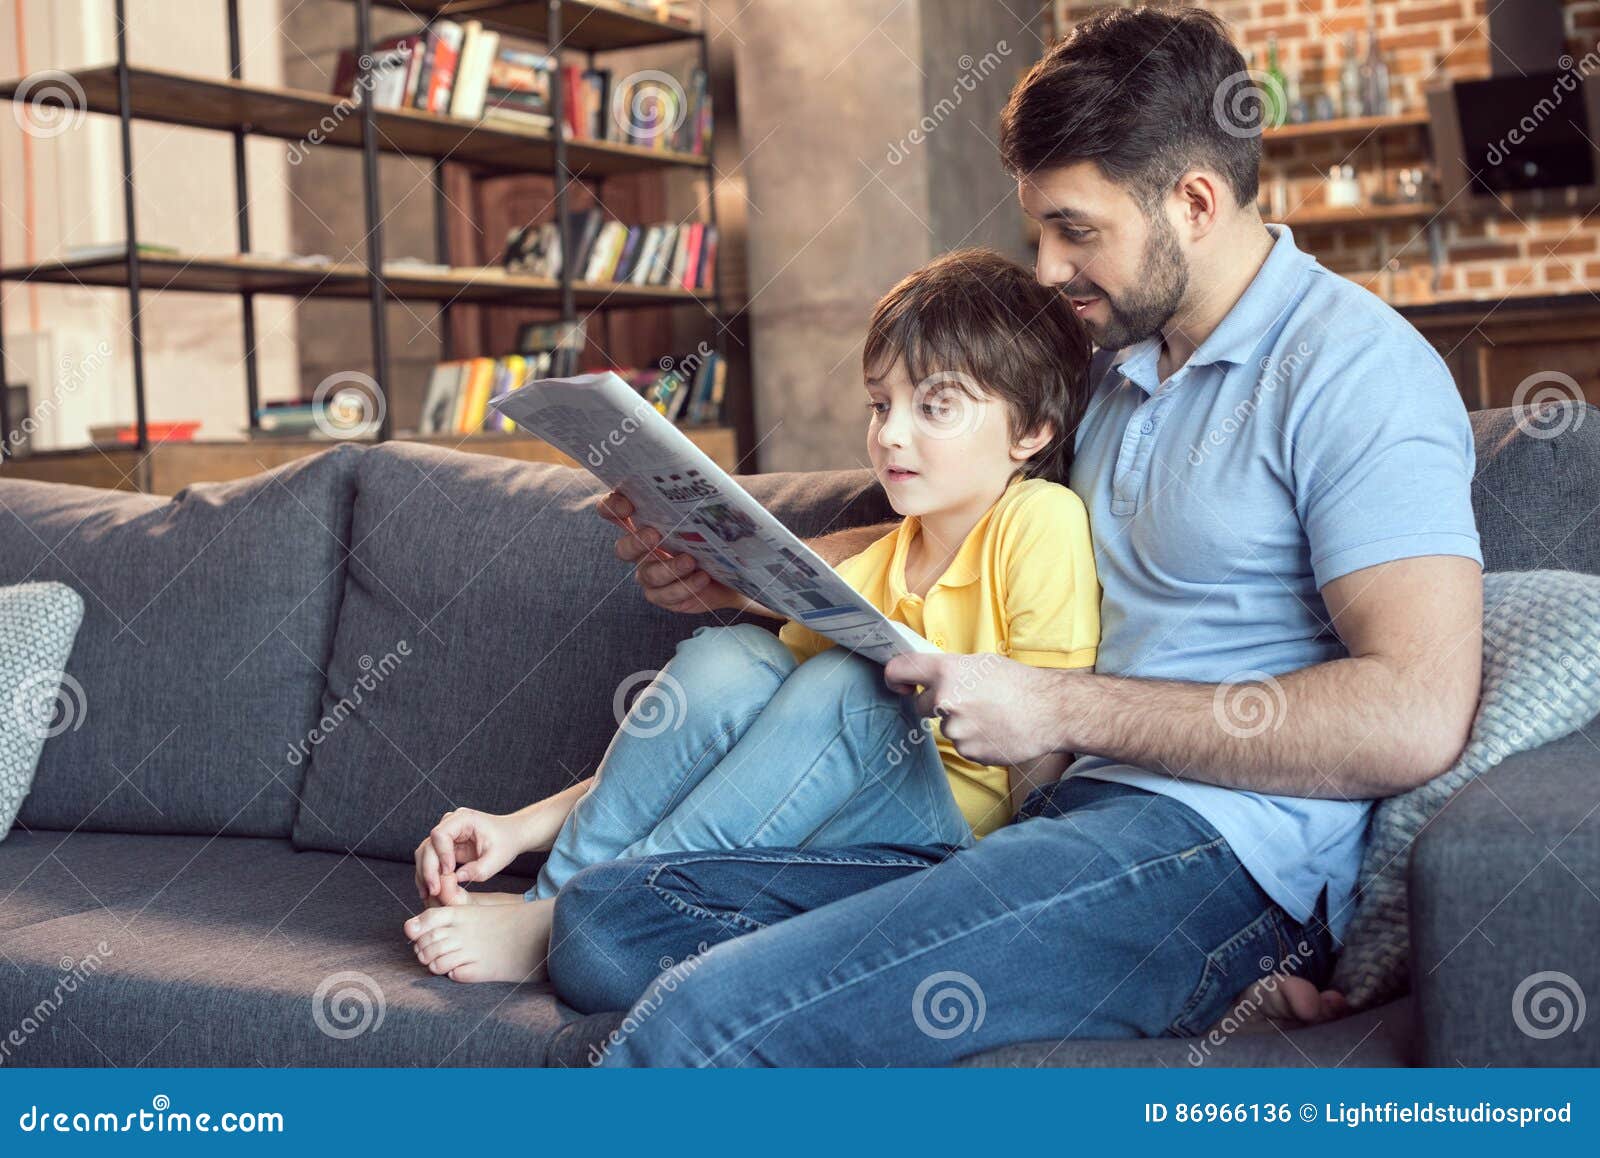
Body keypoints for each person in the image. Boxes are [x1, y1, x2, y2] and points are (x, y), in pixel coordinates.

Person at [539, 5, 1483, 1065]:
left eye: (1076, 229)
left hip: (1210, 854)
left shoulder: (1357, 372)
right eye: (1040, 228)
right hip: (1049, 822)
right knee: (607, 926)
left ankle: (1178, 981)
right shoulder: (1111, 368)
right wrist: (737, 576)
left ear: (1196, 202)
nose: (1044, 268)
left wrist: (1055, 704)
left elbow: (1414, 713)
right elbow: (951, 536)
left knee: (697, 1025)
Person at [401, 249, 1100, 984]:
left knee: (848, 684)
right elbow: (737, 750)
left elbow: (1046, 773)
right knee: (734, 657)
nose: (892, 433)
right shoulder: (874, 564)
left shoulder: (1039, 520)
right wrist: (519, 828)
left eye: (936, 405)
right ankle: (555, 894)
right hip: (826, 831)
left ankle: (571, 916)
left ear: (1033, 432)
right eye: (880, 403)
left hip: (938, 854)